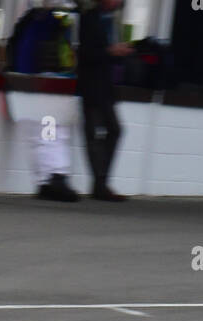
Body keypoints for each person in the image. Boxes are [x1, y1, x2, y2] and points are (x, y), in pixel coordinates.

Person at [76, 0, 133, 201]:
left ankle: (101, 181)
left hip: (106, 85)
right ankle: (100, 184)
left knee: (114, 130)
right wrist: (110, 51)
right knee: (94, 132)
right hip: (91, 84)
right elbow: (85, 53)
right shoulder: (88, 19)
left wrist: (121, 53)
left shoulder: (114, 21)